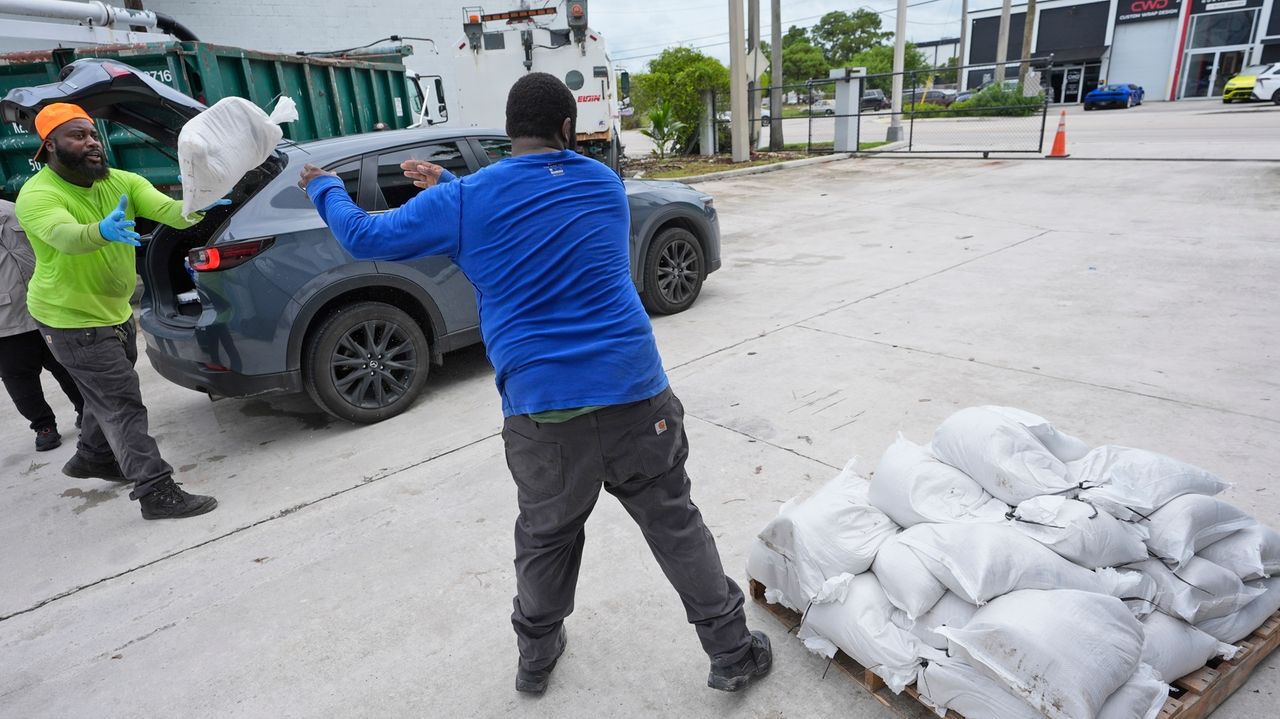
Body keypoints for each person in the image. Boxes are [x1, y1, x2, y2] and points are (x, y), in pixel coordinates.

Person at [299, 73, 771, 694]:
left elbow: (364, 234)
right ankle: (731, 651)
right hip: (636, 397)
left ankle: (536, 660)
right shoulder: (604, 185)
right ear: (569, 130)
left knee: (546, 539)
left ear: (508, 130)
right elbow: (537, 205)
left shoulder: (466, 205)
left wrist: (326, 187)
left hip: (545, 415)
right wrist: (453, 188)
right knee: (675, 523)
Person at [14, 103, 219, 520]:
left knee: (104, 392)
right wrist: (99, 232)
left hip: (112, 311)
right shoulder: (37, 195)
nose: (92, 142)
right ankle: (155, 491)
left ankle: (93, 456)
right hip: (69, 318)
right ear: (50, 145)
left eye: (93, 134)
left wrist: (199, 203)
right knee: (122, 401)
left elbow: (168, 211)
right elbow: (64, 236)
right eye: (78, 135)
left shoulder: (121, 181)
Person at [1, 198, 85, 451]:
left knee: (68, 365)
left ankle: (86, 410)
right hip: (6, 323)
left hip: (48, 308)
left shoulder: (15, 209)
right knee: (19, 380)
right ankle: (43, 425)